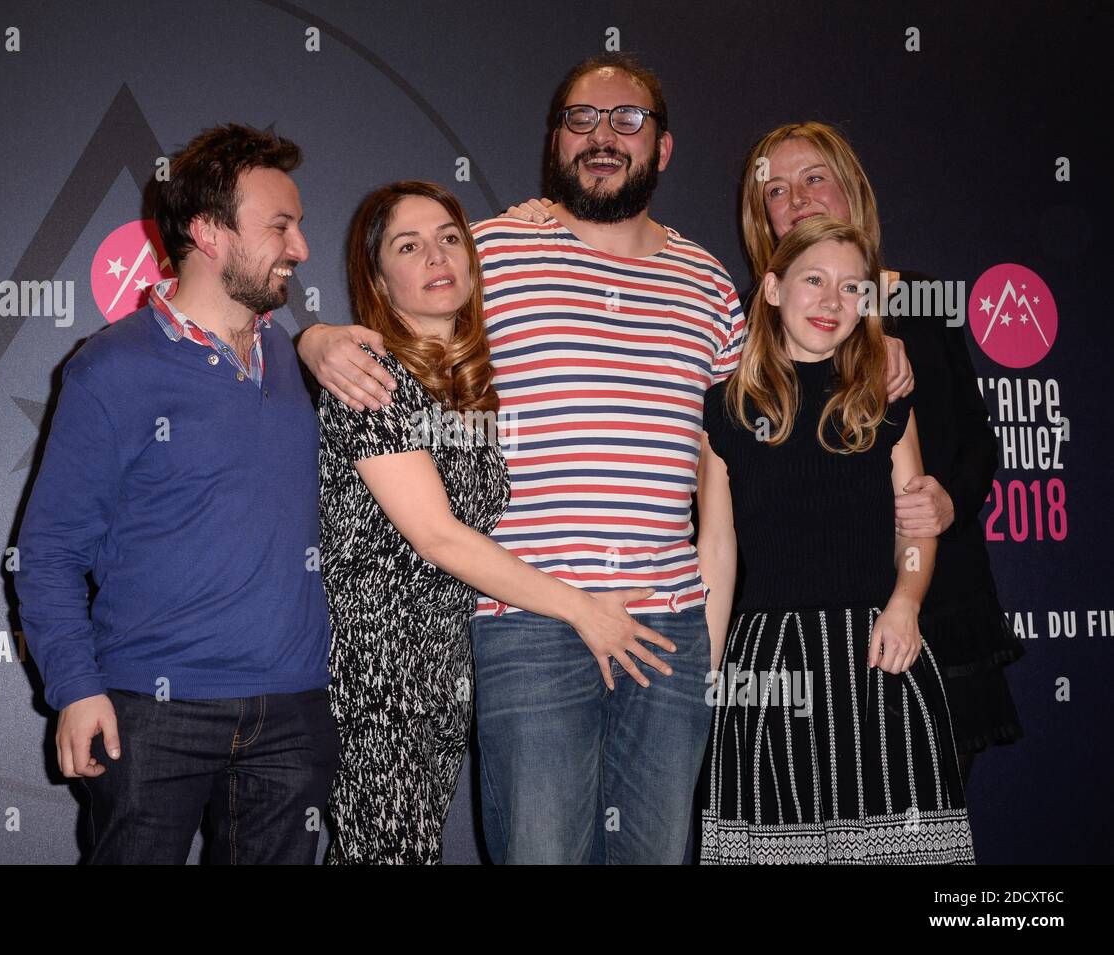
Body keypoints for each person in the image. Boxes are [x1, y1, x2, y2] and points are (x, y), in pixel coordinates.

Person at [300, 55, 912, 864]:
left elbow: (749, 439)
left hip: (671, 631)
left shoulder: (706, 283)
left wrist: (878, 333)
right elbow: (399, 321)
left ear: (662, 150)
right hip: (530, 625)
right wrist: (315, 340)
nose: (602, 135)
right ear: (557, 144)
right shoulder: (489, 253)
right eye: (582, 120)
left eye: (628, 120)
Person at [320, 181, 674, 864]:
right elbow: (438, 535)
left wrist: (535, 220)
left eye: (450, 238)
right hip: (379, 674)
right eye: (408, 245)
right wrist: (583, 610)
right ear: (379, 279)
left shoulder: (469, 387)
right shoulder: (370, 375)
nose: (436, 255)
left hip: (445, 666)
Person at [14, 124, 338, 864]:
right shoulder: (109, 369)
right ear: (208, 232)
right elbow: (51, 551)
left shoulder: (297, 361)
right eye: (281, 225)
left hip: (293, 712)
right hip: (151, 716)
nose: (301, 247)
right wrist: (75, 687)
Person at [740, 121, 1023, 782]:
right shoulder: (753, 324)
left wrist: (948, 501)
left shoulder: (923, 300)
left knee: (926, 822)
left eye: (814, 177)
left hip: (936, 599)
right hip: (805, 621)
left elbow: (978, 439)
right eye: (776, 190)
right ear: (763, 218)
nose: (798, 197)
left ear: (851, 188)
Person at [696, 216, 974, 864]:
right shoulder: (724, 410)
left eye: (852, 287)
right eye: (813, 280)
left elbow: (915, 521)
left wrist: (906, 600)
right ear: (771, 288)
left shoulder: (884, 399)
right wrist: (708, 679)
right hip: (766, 667)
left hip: (880, 654)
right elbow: (716, 548)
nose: (831, 301)